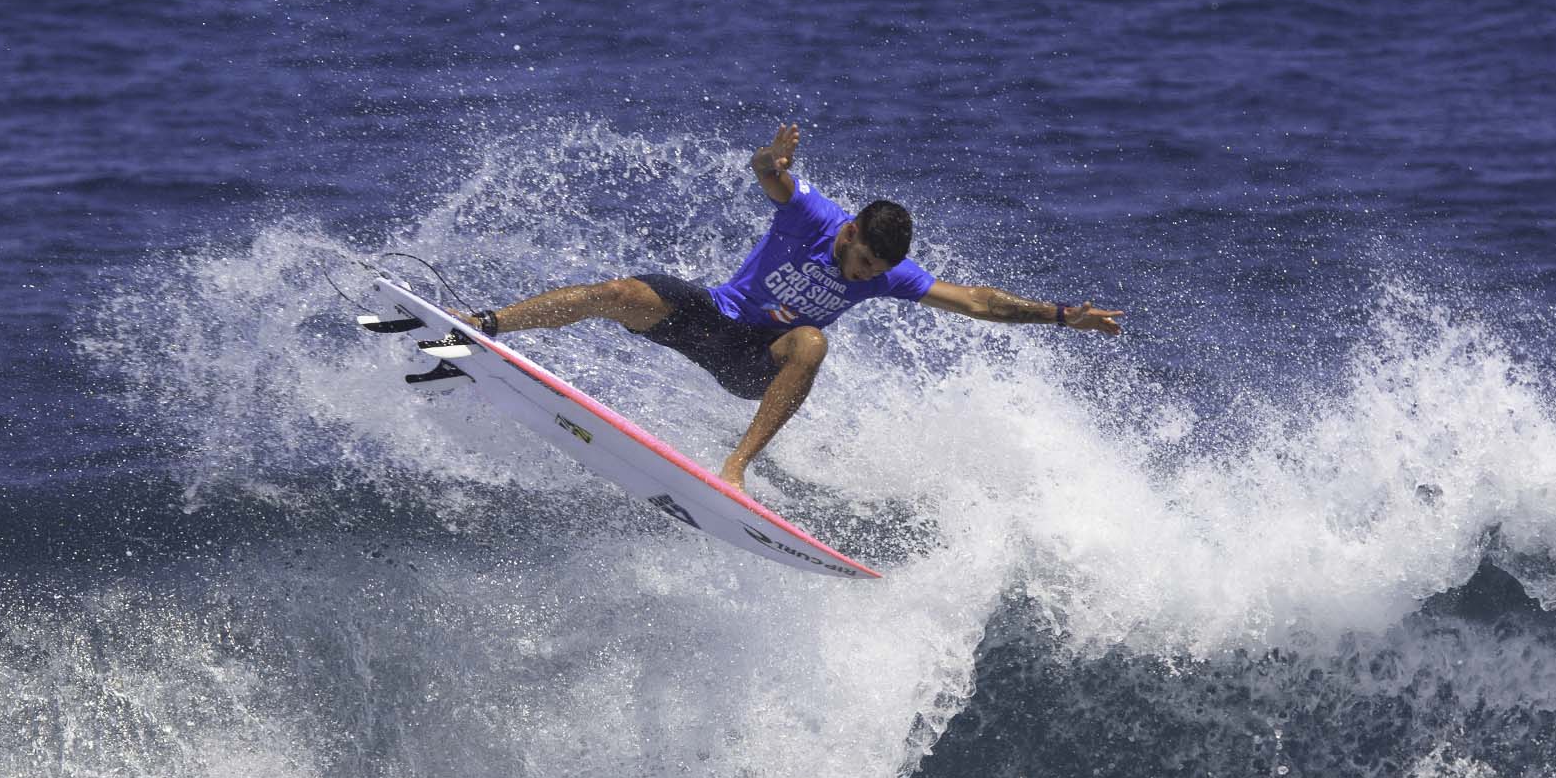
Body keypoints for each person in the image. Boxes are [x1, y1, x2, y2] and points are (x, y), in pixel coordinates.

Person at [457, 124, 1124, 491]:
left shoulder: (887, 275)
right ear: (851, 231)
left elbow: (979, 303)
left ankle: (734, 470)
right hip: (711, 321)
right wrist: (769, 156)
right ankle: (485, 327)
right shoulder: (812, 214)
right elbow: (766, 173)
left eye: (876, 275)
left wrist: (1063, 315)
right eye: (863, 264)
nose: (864, 277)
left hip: (755, 364)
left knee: (811, 343)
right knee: (620, 293)